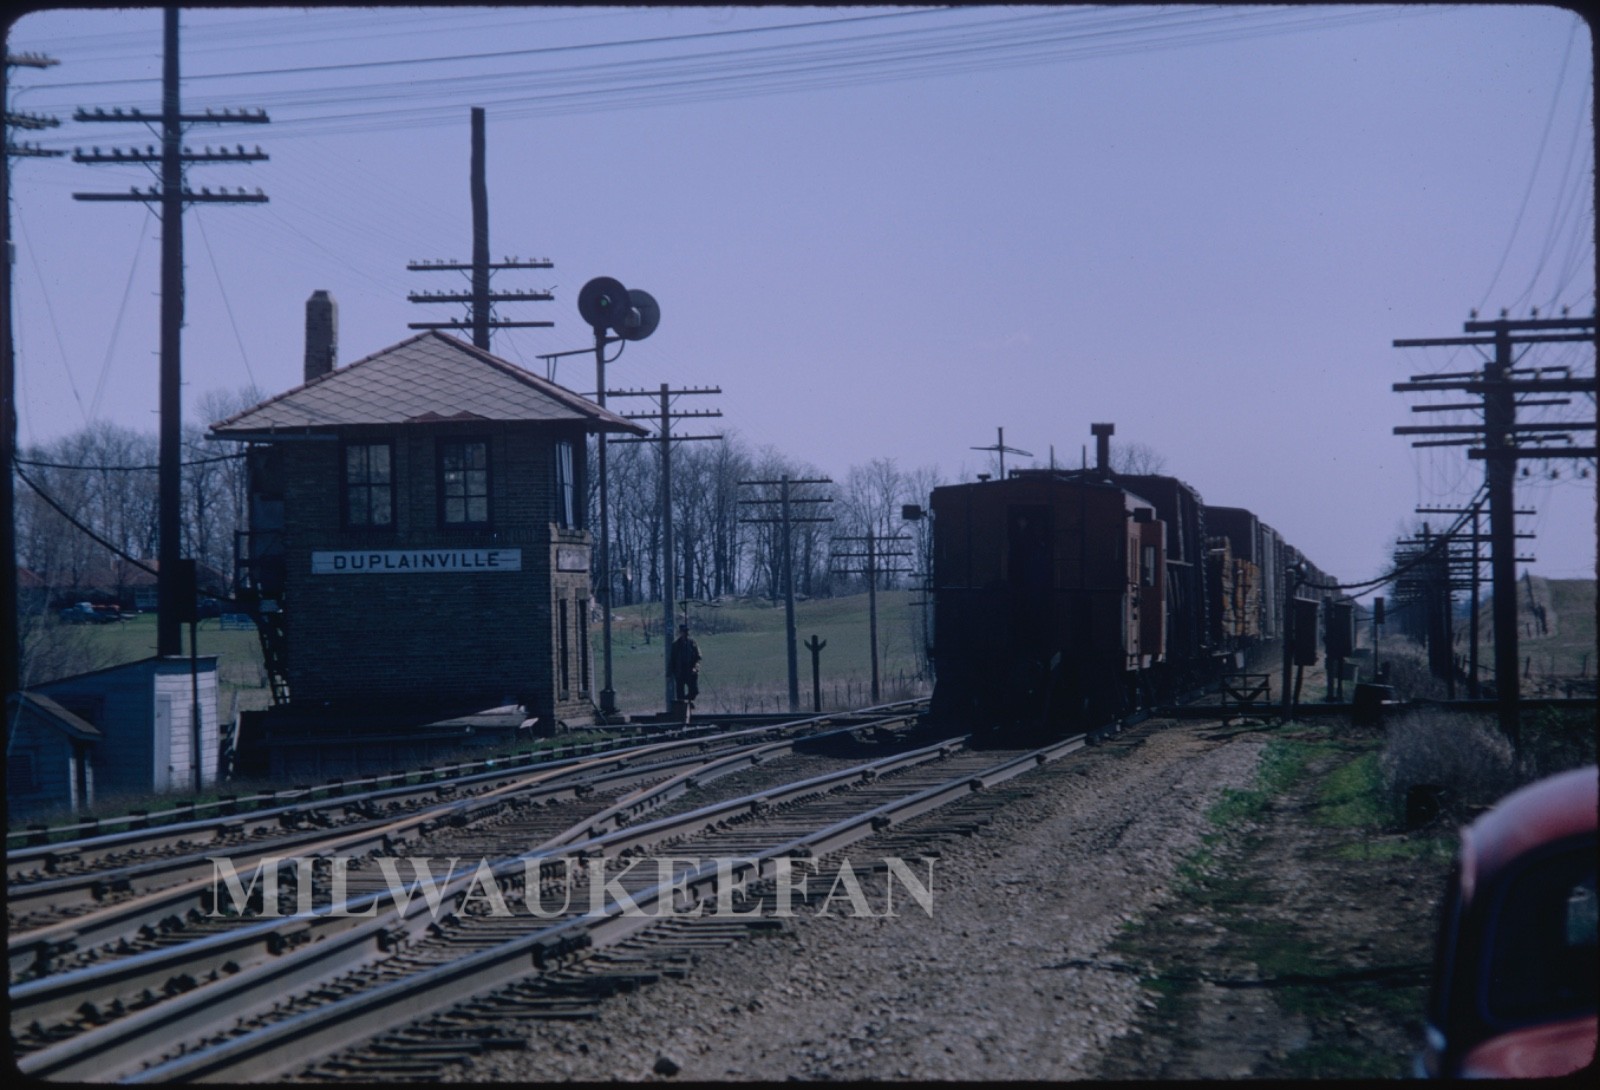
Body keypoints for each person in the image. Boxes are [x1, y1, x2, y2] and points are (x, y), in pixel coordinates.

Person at [668, 623, 701, 705]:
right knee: (680, 693)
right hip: (680, 670)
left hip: (690, 669)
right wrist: (669, 672)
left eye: (687, 631)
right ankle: (683, 707)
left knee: (694, 691)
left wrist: (695, 667)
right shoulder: (675, 645)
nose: (686, 633)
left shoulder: (692, 643)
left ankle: (688, 702)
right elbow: (672, 659)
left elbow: (698, 657)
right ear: (681, 632)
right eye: (684, 631)